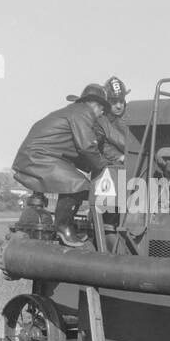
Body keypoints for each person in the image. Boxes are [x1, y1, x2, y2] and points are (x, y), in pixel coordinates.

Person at [11, 83, 110, 246]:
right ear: (93, 103)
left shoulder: (72, 111)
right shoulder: (83, 112)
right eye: (101, 107)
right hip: (39, 157)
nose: (102, 112)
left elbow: (76, 150)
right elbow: (87, 146)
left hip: (37, 156)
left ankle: (65, 226)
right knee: (78, 184)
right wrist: (104, 166)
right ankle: (63, 227)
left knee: (79, 185)